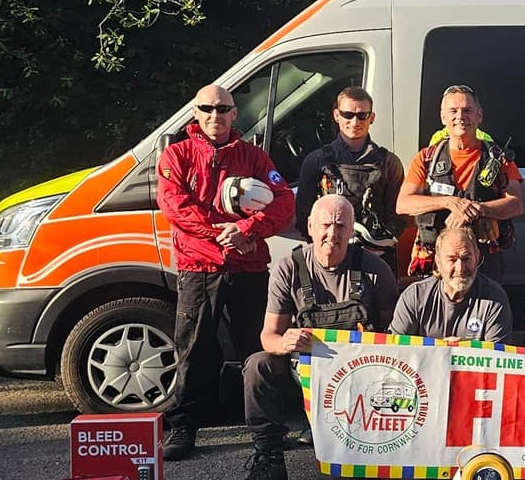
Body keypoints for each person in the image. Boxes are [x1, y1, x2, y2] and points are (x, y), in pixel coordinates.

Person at [156, 84, 296, 461]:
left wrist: (247, 230)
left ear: (235, 114)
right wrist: (226, 235)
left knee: (259, 352)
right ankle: (183, 427)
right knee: (194, 350)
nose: (215, 115)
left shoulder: (253, 156)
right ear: (195, 113)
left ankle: (270, 430)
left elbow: (284, 201)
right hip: (199, 268)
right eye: (208, 108)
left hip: (249, 268)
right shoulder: (176, 155)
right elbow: (175, 207)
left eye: (223, 109)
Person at [241, 195, 399, 480]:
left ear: (351, 231)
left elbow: (397, 338)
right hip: (304, 374)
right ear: (310, 226)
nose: (332, 233)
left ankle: (376, 453)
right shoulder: (289, 268)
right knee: (257, 365)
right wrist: (284, 343)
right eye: (325, 225)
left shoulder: (375, 269)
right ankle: (269, 457)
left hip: (361, 376)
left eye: (341, 226)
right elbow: (269, 336)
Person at [397, 84, 524, 282]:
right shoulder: (427, 158)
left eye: (467, 110)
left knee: (488, 301)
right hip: (437, 259)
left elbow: (516, 204)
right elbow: (403, 204)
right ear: (443, 117)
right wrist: (449, 202)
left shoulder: (499, 159)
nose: (460, 116)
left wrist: (474, 210)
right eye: (453, 111)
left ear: (479, 116)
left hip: (484, 259)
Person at [294, 86, 405, 274]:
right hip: (328, 261)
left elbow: (397, 217)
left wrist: (376, 243)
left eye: (362, 115)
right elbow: (304, 218)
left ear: (372, 117)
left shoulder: (389, 163)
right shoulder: (316, 162)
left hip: (375, 261)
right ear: (336, 115)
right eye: (348, 115)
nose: (355, 122)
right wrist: (328, 247)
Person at [389, 227, 513, 343]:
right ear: (438, 262)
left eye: (466, 258)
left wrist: (461, 352)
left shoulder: (494, 298)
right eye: (452, 260)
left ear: (477, 257)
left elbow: (498, 355)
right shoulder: (415, 296)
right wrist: (441, 351)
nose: (460, 268)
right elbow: (395, 349)